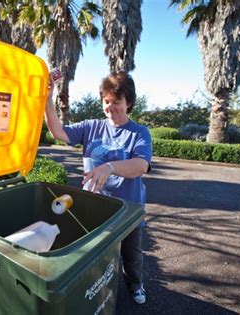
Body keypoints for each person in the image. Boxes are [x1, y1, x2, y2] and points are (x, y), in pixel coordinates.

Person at [44, 71, 152, 305]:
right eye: (106, 102)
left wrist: (109, 168)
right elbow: (58, 132)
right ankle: (95, 292)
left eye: (117, 102)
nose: (110, 107)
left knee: (131, 255)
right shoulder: (91, 127)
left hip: (128, 209)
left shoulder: (139, 133)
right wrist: (47, 99)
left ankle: (135, 285)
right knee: (96, 255)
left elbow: (141, 166)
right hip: (94, 207)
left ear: (129, 103)